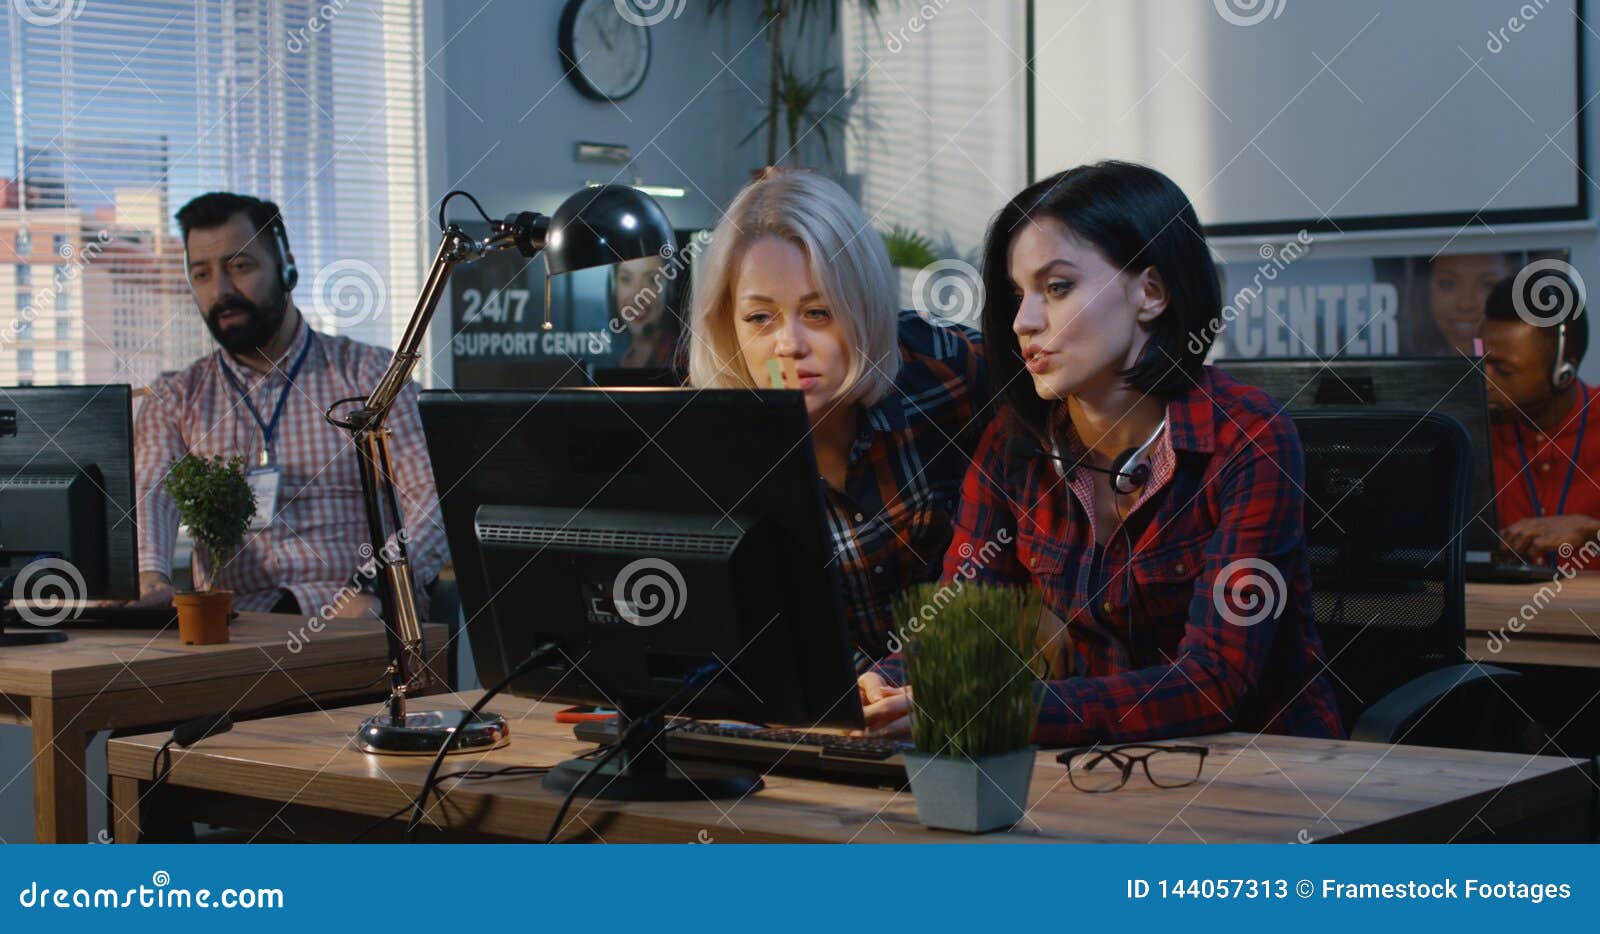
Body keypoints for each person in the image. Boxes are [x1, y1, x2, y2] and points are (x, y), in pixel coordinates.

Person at [859, 161, 1344, 745]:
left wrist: (1003, 707)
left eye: (1057, 287)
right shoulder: (1016, 444)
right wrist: (884, 683)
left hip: (1268, 780)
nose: (1023, 322)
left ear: (1152, 291)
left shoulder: (1248, 437)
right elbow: (957, 617)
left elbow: (1213, 683)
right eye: (1018, 295)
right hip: (1102, 776)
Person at [687, 170, 991, 668]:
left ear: (865, 306)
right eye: (760, 318)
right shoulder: (708, 459)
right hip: (810, 724)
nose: (789, 344)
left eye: (819, 312)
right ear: (727, 324)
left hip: (958, 704)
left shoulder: (946, 367)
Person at [133, 192, 448, 616]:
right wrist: (152, 581)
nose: (221, 291)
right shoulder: (176, 398)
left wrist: (379, 587)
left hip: (357, 615)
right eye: (202, 274)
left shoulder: (372, 376)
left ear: (286, 264)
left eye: (240, 266)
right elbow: (151, 492)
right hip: (238, 629)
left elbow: (431, 497)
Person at [1479, 268, 1600, 562]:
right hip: (1497, 608)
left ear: (1563, 373)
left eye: (1504, 371)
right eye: (1480, 362)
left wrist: (1593, 532)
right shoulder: (1471, 433)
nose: (1483, 380)